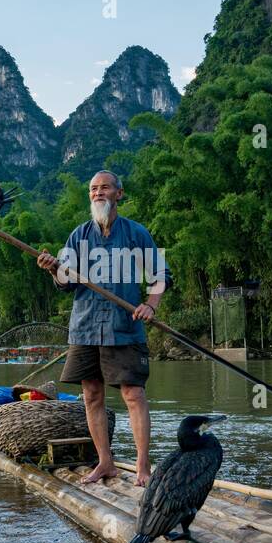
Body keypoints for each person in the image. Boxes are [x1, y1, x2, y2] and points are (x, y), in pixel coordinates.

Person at [36, 171, 171, 487]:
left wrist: (150, 304)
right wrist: (54, 269)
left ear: (119, 194)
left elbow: (160, 275)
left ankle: (142, 467)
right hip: (84, 327)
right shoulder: (78, 236)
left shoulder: (136, 234)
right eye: (93, 188)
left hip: (124, 326)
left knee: (133, 394)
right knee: (91, 394)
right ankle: (105, 463)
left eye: (105, 187)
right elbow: (67, 284)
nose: (98, 193)